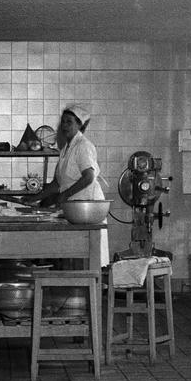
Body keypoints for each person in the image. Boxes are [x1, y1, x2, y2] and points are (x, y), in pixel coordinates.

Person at [35, 103, 110, 266]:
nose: (64, 126)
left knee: (88, 257)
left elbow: (88, 177)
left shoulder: (83, 146)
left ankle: (88, 280)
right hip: (75, 209)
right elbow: (57, 183)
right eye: (63, 122)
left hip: (87, 207)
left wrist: (65, 195)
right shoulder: (66, 148)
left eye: (69, 122)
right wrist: (35, 198)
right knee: (76, 254)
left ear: (79, 125)